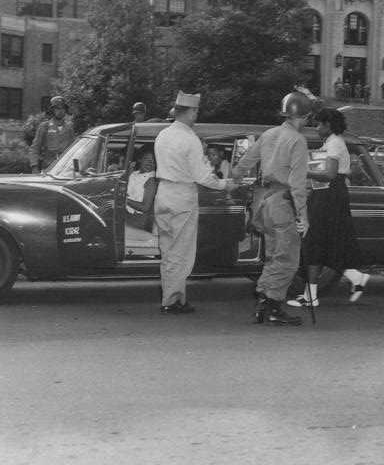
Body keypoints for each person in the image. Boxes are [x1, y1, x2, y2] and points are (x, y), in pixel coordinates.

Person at [231, 91, 311, 327]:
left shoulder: (268, 134)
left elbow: (243, 163)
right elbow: (297, 184)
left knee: (273, 257)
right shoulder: (297, 140)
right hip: (284, 203)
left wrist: (235, 179)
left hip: (266, 201)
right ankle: (272, 305)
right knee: (287, 259)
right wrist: (303, 216)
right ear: (303, 116)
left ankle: (264, 301)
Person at [153, 91, 235, 314]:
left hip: (163, 192)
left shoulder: (162, 135)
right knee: (182, 252)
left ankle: (173, 297)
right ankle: (172, 301)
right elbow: (203, 176)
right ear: (189, 112)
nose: (197, 115)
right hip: (182, 195)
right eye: (196, 111)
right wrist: (224, 185)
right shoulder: (190, 139)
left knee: (168, 250)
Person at [288, 108, 370, 309]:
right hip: (328, 194)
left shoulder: (334, 143)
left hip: (329, 194)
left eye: (320, 124)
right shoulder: (333, 142)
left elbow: (330, 174)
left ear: (328, 125)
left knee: (314, 240)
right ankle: (354, 277)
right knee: (324, 241)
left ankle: (311, 296)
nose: (317, 128)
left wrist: (303, 171)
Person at [29, 96, 75, 173]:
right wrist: (34, 166)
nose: (60, 111)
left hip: (65, 169)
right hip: (48, 168)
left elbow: (73, 149)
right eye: (57, 108)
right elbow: (35, 148)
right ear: (52, 110)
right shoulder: (44, 126)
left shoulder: (69, 127)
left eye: (62, 108)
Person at [126, 148, 158, 230]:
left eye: (153, 161)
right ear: (140, 159)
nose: (150, 163)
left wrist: (124, 199)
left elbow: (145, 207)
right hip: (125, 213)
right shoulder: (133, 174)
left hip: (137, 218)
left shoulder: (151, 179)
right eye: (147, 159)